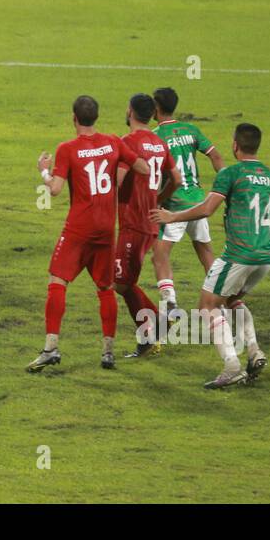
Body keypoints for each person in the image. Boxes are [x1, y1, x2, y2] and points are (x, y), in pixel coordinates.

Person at [150, 123, 270, 390]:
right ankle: (254, 351)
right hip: (265, 256)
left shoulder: (230, 173)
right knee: (232, 299)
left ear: (235, 145)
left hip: (239, 254)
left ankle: (232, 366)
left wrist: (173, 216)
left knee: (207, 305)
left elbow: (207, 209)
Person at [28, 95, 150, 372]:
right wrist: (120, 166)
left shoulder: (68, 148)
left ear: (74, 118)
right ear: (96, 117)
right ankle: (108, 352)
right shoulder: (113, 142)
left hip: (79, 228)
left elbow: (56, 189)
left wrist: (44, 172)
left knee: (57, 281)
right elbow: (142, 167)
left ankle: (50, 348)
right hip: (108, 228)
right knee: (105, 288)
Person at [151, 87, 224, 320]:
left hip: (174, 203)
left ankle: (170, 301)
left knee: (160, 255)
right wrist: (226, 183)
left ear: (156, 108)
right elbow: (215, 155)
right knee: (205, 252)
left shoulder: (156, 137)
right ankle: (219, 300)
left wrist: (156, 199)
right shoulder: (191, 130)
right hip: (198, 202)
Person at [114, 94, 179, 358]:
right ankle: (148, 335)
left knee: (119, 283)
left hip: (133, 223)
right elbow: (176, 178)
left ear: (129, 111)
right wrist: (158, 200)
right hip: (150, 223)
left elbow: (117, 182)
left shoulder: (127, 143)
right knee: (124, 281)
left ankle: (158, 321)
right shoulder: (160, 143)